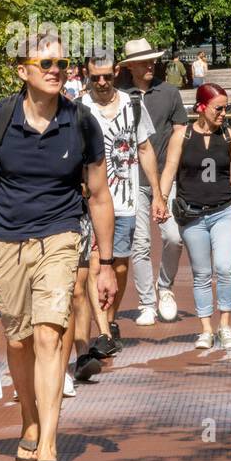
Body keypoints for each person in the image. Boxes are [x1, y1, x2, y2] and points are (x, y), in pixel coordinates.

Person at [0, 34, 117, 461]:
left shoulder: (81, 122)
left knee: (50, 333)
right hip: (7, 240)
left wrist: (104, 264)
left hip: (61, 236)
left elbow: (99, 195)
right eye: (46, 63)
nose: (56, 70)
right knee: (19, 339)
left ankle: (49, 443)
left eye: (62, 63)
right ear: (23, 71)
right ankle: (29, 420)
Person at [160, 82, 231, 351]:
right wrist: (159, 200)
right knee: (202, 274)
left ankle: (225, 325)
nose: (223, 113)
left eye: (227, 108)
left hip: (224, 213)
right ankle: (206, 329)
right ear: (201, 108)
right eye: (219, 108)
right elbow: (170, 169)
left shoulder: (228, 137)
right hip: (192, 216)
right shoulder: (181, 137)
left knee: (226, 268)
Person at [82, 55, 168, 331]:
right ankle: (104, 333)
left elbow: (144, 148)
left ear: (117, 71)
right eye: (96, 77)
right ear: (87, 74)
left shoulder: (132, 104)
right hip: (91, 203)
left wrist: (157, 193)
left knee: (119, 265)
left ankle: (110, 320)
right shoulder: (79, 109)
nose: (102, 82)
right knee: (96, 264)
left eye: (107, 76)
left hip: (126, 201)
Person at [119, 38, 190, 325]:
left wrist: (167, 177)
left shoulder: (169, 92)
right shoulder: (119, 95)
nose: (150, 65)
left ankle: (165, 288)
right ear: (130, 66)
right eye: (143, 61)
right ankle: (147, 302)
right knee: (140, 244)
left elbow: (179, 130)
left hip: (165, 176)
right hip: (131, 180)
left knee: (174, 236)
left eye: (152, 60)